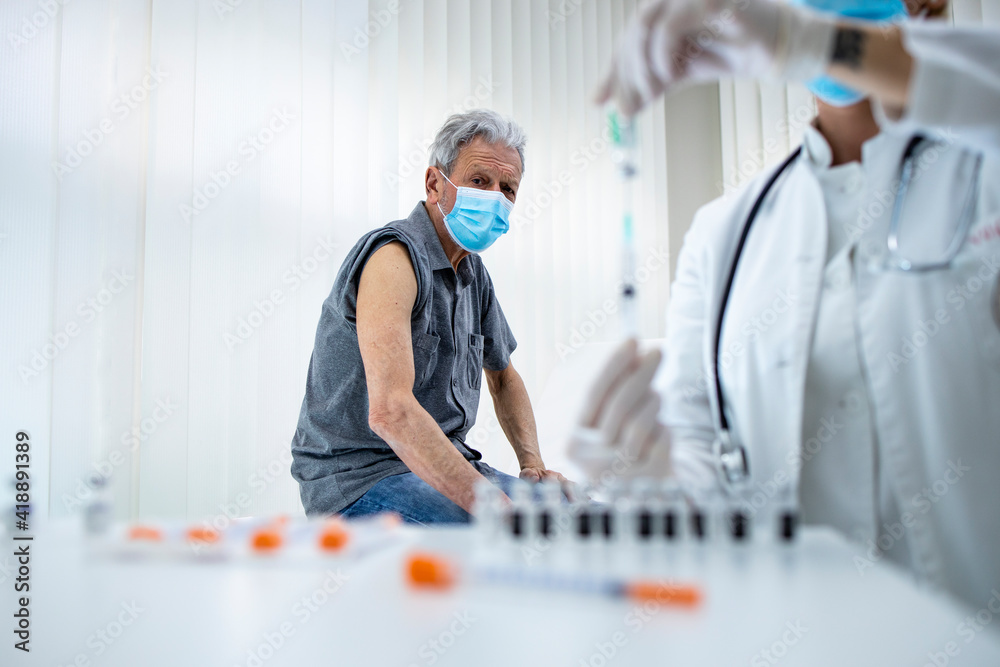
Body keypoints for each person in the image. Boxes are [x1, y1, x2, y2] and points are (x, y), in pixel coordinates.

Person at [573, 0, 1000, 610]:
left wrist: (821, 44)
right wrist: (653, 483)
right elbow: (704, 477)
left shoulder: (984, 174)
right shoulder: (726, 233)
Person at [292, 109, 569, 524]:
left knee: (580, 516)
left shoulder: (473, 275)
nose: (495, 196)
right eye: (480, 181)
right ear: (435, 183)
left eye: (508, 188)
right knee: (529, 532)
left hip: (440, 464)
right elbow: (391, 411)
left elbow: (504, 378)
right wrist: (494, 506)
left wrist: (533, 466)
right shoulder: (393, 259)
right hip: (359, 479)